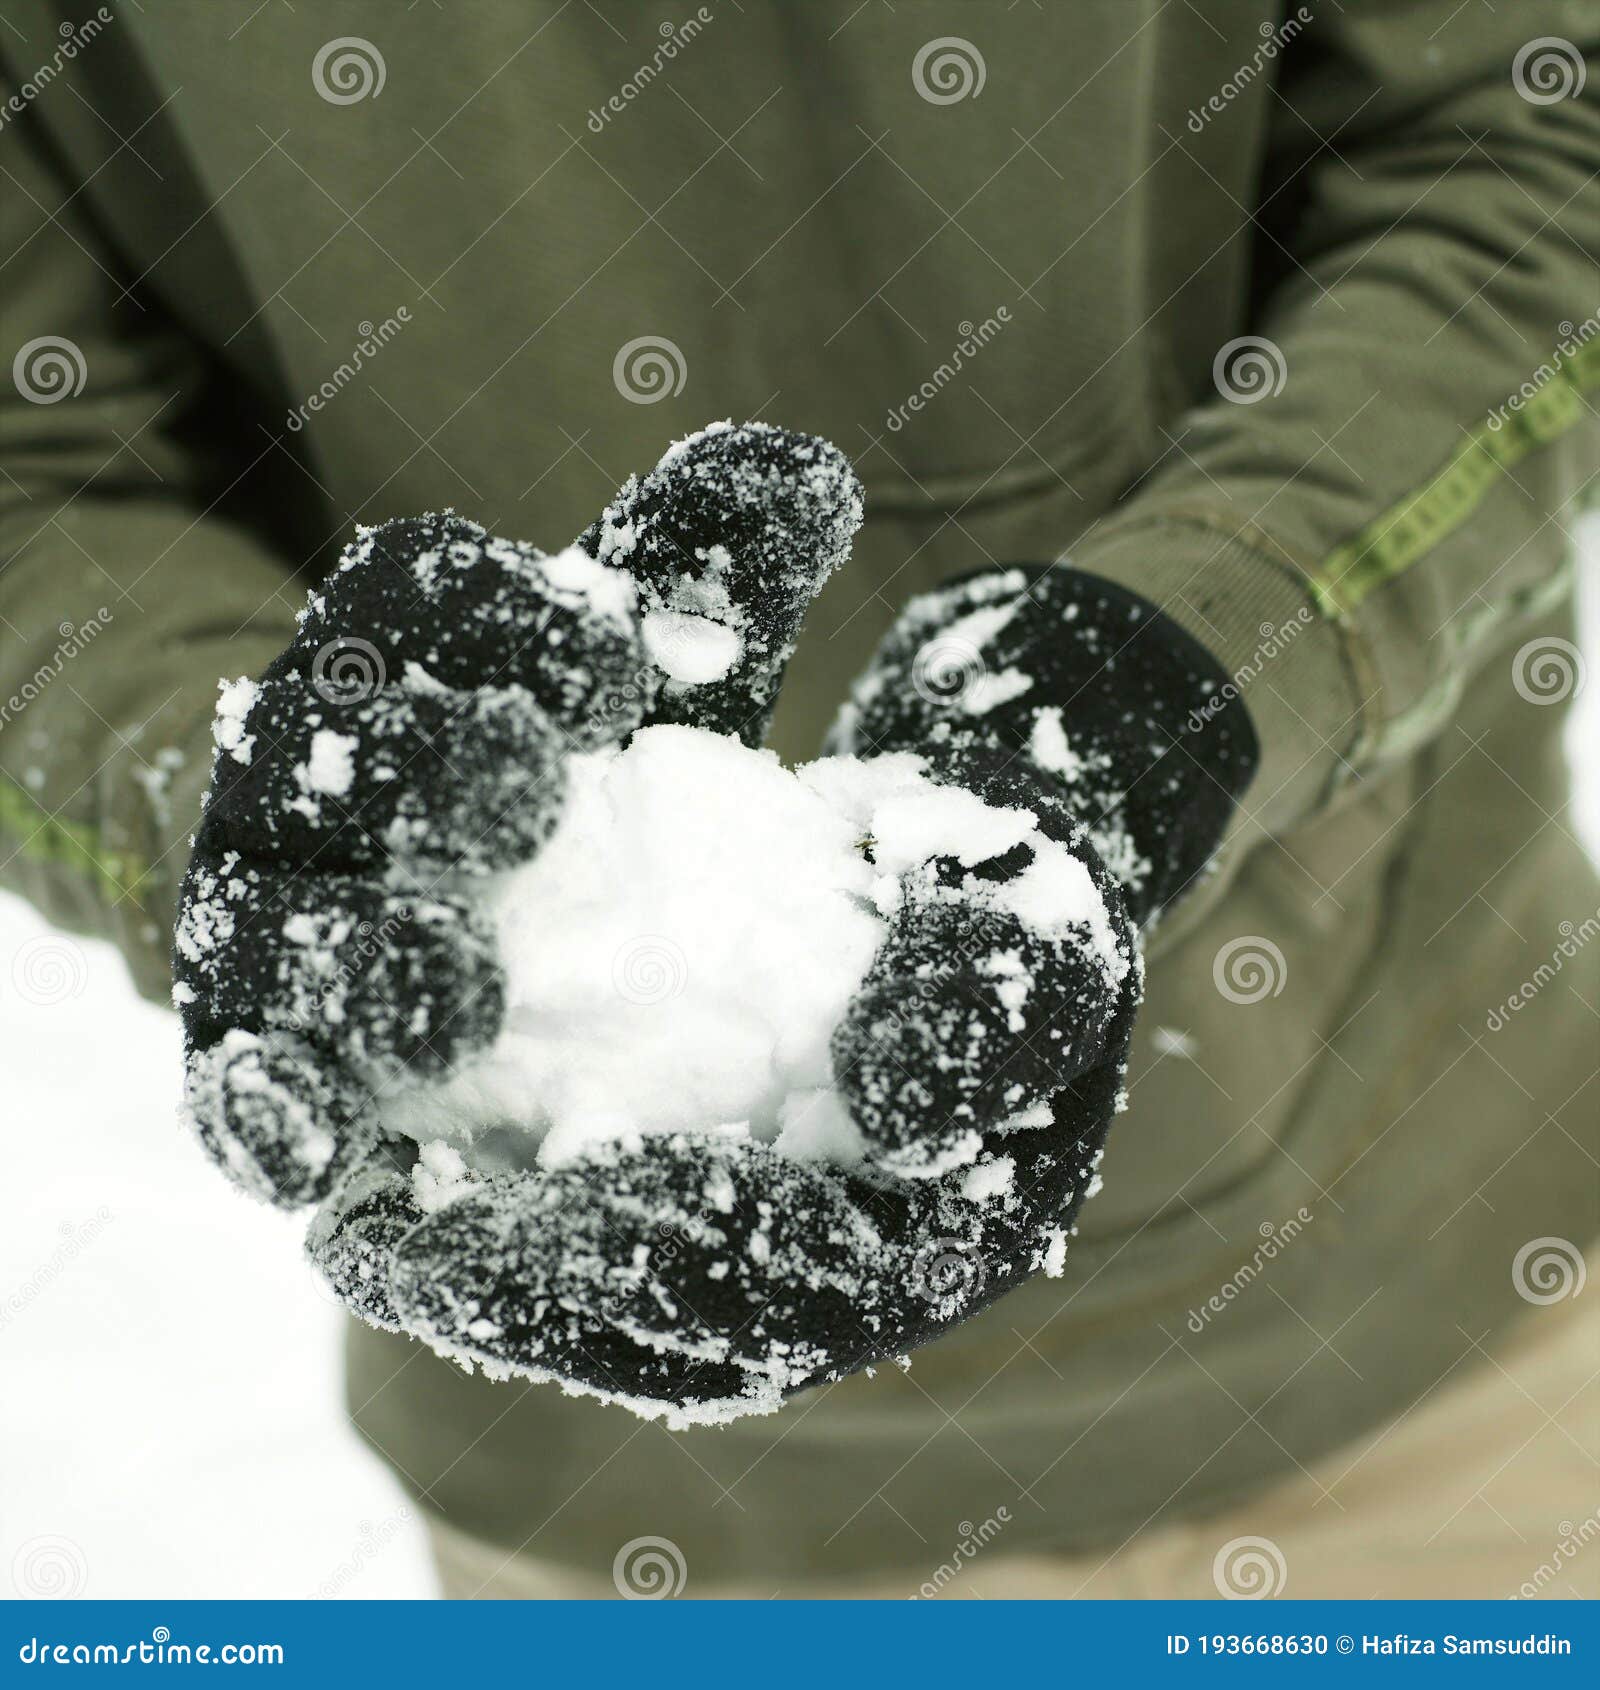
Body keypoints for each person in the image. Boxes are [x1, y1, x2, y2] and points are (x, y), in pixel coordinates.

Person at [2, 2, 1595, 1601]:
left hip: (1427, 1308)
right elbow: (27, 456)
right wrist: (273, 809)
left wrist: (1180, 669)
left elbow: (1534, 136)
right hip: (616, 1505)